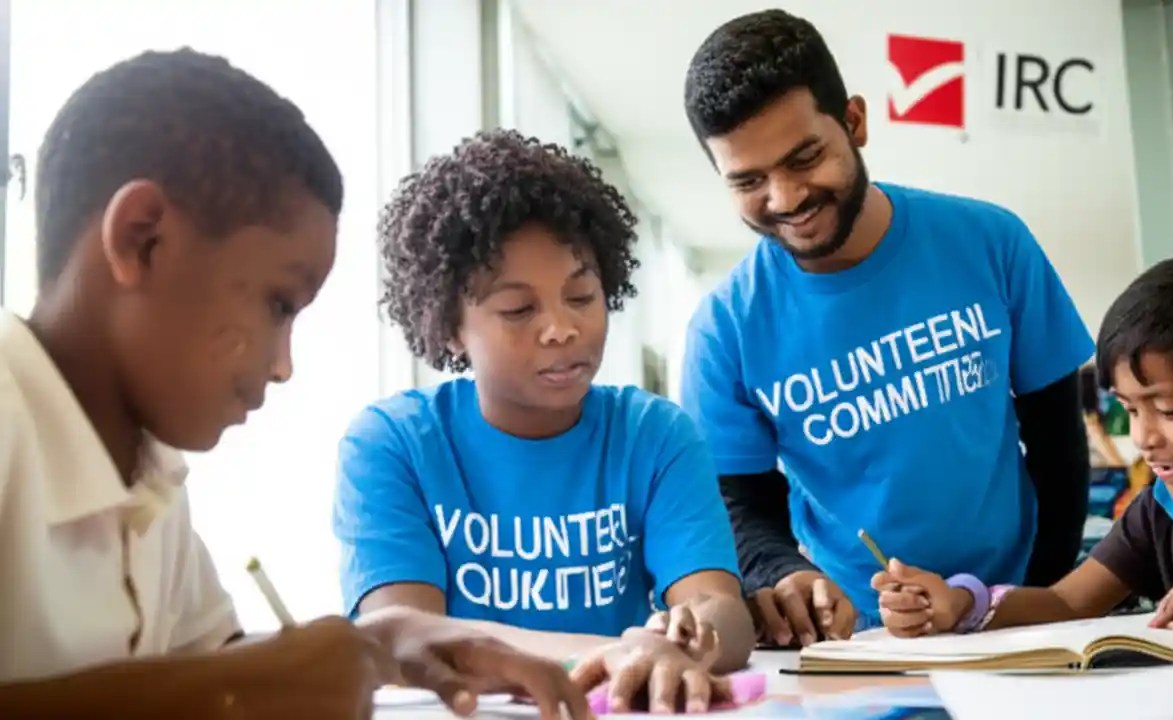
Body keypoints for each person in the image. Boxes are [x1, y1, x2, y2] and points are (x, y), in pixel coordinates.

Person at [0, 49, 589, 720]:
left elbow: (203, 661)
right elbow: (216, 686)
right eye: (278, 304)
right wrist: (235, 693)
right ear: (143, 240)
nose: (283, 366)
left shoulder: (146, 469)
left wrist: (383, 644)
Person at [680, 9, 1095, 643]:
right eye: (749, 180)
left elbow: (1058, 443)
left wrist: (1035, 602)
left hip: (1018, 610)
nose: (785, 198)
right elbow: (740, 505)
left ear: (855, 122)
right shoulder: (723, 330)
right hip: (861, 638)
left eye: (805, 157)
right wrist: (787, 575)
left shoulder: (992, 242)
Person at [333, 129, 754, 714]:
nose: (561, 328)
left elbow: (722, 610)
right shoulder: (393, 444)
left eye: (581, 297)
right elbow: (406, 640)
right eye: (518, 309)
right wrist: (617, 651)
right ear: (450, 327)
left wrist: (690, 637)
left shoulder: (654, 435)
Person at [874, 250, 1173, 639]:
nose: (1144, 438)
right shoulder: (1161, 510)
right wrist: (962, 603)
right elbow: (1066, 601)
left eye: (1168, 410)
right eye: (1130, 410)